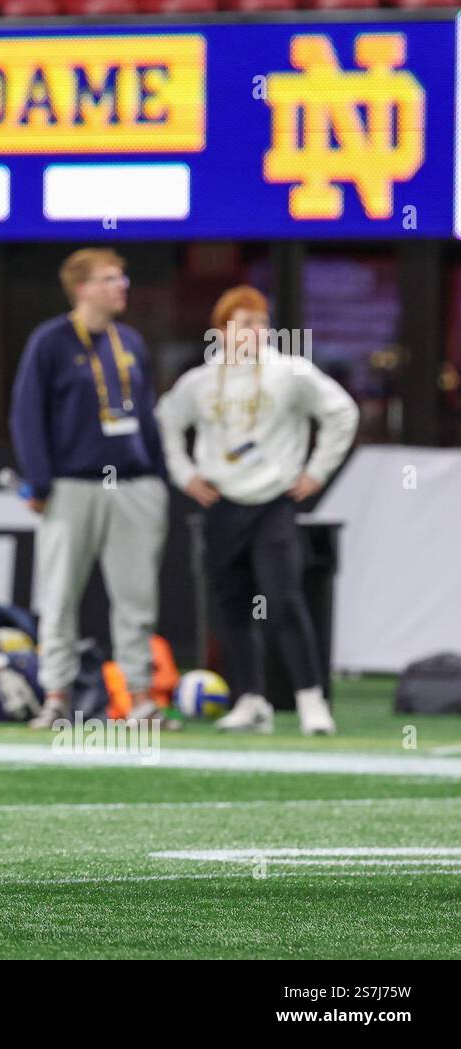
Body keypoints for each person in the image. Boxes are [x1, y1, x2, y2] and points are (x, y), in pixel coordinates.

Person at [157, 285, 357, 735]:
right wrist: (185, 474)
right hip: (223, 505)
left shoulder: (290, 372)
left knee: (283, 598)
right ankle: (250, 698)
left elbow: (341, 412)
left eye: (263, 322)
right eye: (246, 323)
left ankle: (311, 700)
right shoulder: (201, 381)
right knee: (231, 605)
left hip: (274, 504)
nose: (257, 331)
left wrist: (317, 471)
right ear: (222, 331)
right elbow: (166, 422)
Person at [10, 248, 169, 729]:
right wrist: (38, 480)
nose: (121, 286)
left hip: (134, 485)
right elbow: (28, 416)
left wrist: (158, 477)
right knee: (58, 596)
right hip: (72, 485)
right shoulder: (51, 341)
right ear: (81, 288)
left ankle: (139, 699)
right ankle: (56, 697)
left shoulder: (132, 343)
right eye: (108, 279)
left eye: (122, 277)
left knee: (136, 597)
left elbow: (146, 416)